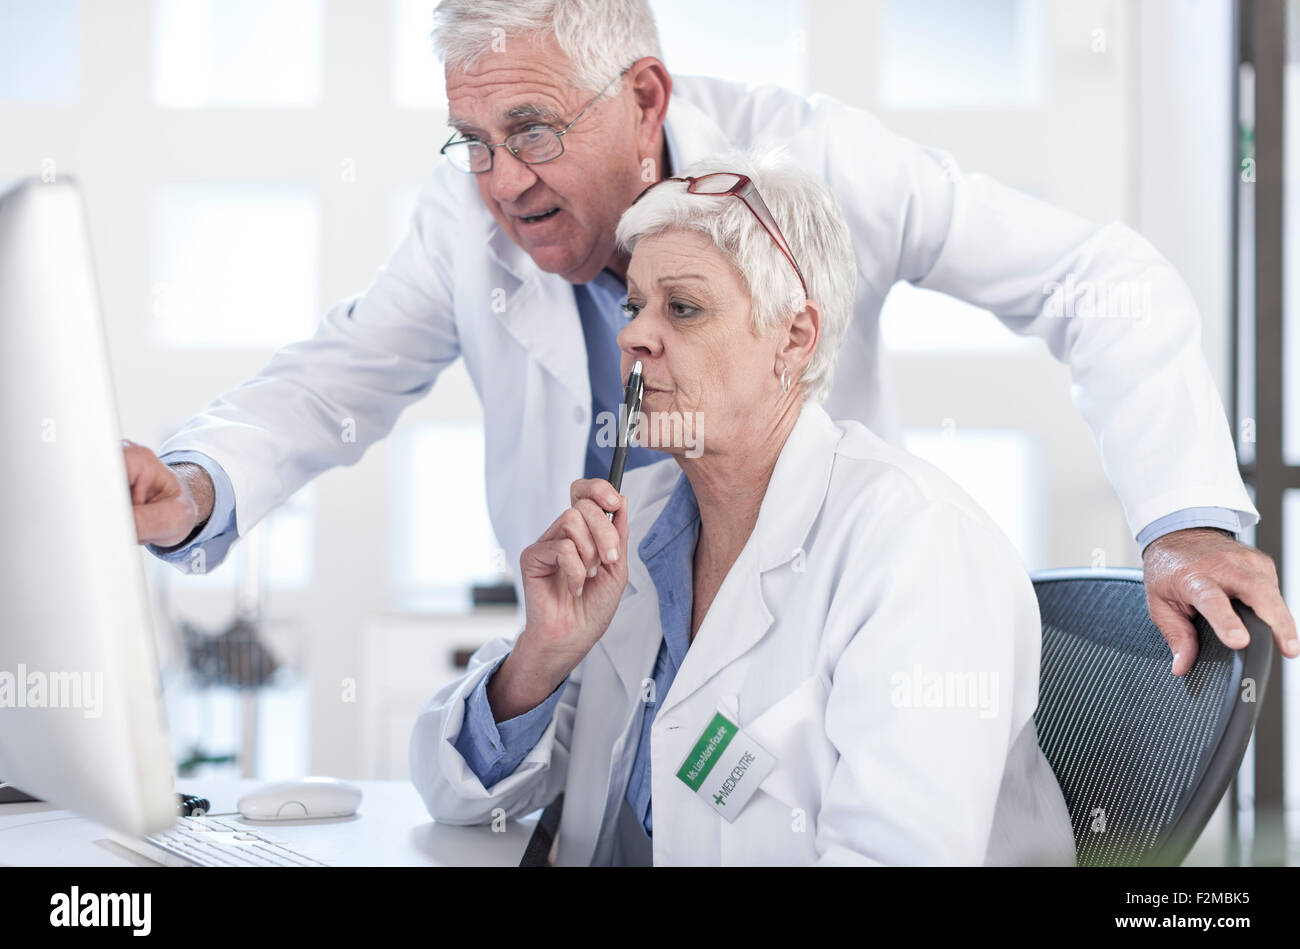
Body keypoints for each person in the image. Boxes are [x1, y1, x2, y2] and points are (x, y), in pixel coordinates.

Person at [124, 0, 1297, 684]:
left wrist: (1182, 517)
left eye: (529, 130)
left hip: (813, 667)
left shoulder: (812, 163)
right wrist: (193, 484)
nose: (500, 183)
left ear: (643, 98)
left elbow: (1096, 275)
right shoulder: (463, 222)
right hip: (604, 684)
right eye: (470, 141)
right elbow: (340, 377)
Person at [410, 153, 1078, 865]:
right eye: (634, 304)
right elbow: (456, 796)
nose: (633, 335)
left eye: (684, 308)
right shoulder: (631, 527)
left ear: (794, 337)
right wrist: (541, 657)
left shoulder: (919, 548)